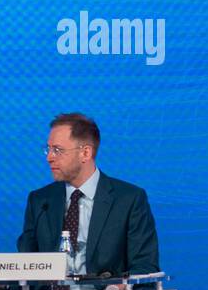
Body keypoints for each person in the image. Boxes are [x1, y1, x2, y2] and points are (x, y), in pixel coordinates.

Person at [16, 113, 159, 277]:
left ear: (85, 153)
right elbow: (26, 266)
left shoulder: (129, 200)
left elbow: (146, 267)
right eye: (48, 149)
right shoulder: (40, 201)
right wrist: (0, 281)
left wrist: (120, 287)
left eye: (57, 150)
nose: (49, 157)